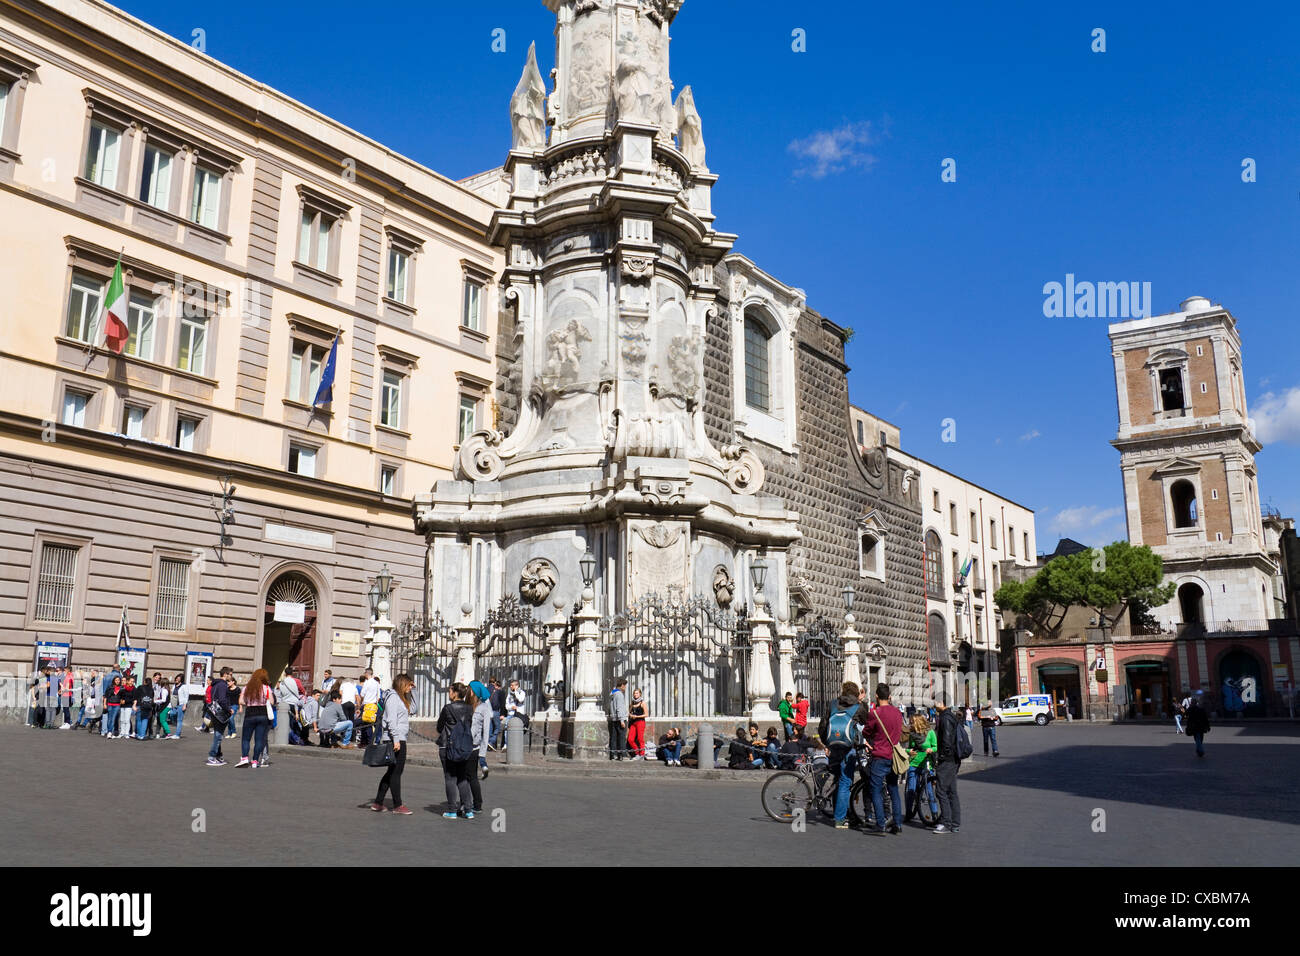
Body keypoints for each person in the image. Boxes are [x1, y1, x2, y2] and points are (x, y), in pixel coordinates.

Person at [857, 683, 905, 835]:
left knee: (875, 790)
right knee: (893, 789)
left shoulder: (875, 713)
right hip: (894, 756)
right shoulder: (898, 713)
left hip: (880, 756)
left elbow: (866, 732)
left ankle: (880, 824)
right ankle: (897, 824)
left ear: (877, 696)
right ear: (889, 696)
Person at [818, 682, 863, 828]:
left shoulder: (833, 704)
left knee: (838, 778)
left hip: (833, 746)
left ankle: (840, 811)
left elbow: (823, 726)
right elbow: (868, 724)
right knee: (845, 781)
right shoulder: (858, 706)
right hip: (848, 747)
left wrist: (827, 743)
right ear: (856, 693)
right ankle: (840, 818)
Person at [370, 673, 414, 815]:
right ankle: (397, 805)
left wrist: (415, 692)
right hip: (395, 738)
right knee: (396, 772)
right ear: (402, 684)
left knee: (391, 772)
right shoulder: (393, 698)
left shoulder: (400, 698)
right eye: (408, 685)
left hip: (399, 737)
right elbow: (390, 720)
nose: (410, 687)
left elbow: (414, 709)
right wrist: (396, 739)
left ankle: (378, 802)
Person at [437, 682, 475, 819]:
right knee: (462, 778)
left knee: (450, 778)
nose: (449, 693)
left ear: (454, 692)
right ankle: (468, 810)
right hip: (464, 746)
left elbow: (439, 727)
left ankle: (452, 810)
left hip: (448, 746)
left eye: (450, 691)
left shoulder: (447, 708)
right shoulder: (469, 708)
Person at [932, 698, 962, 834]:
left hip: (948, 759)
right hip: (953, 759)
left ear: (941, 703)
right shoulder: (950, 716)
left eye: (935, 702)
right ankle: (955, 823)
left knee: (941, 790)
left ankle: (946, 822)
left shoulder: (945, 718)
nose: (934, 705)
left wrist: (941, 758)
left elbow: (946, 741)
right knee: (951, 791)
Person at [235, 669, 274, 769]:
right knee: (259, 739)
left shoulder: (247, 688)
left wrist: (250, 703)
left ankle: (244, 758)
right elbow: (272, 702)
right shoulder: (266, 688)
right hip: (263, 714)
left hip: (250, 714)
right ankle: (255, 761)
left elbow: (241, 701)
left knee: (246, 738)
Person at [904, 714, 939, 825]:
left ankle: (934, 814)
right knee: (911, 790)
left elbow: (936, 747)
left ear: (918, 722)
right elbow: (909, 747)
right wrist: (908, 751)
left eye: (912, 722)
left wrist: (930, 749)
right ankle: (909, 813)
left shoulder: (930, 733)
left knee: (929, 791)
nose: (910, 724)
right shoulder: (912, 734)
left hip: (927, 764)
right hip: (913, 763)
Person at [468, 680, 492, 811]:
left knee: (471, 777)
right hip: (463, 746)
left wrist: (482, 754)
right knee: (462, 778)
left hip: (474, 747)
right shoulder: (466, 706)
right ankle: (464, 802)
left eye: (470, 689)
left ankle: (477, 804)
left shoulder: (484, 709)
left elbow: (486, 732)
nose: (468, 691)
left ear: (474, 692)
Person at [358, 668, 382, 745]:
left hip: (366, 705)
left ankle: (365, 742)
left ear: (366, 673)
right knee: (374, 724)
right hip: (374, 706)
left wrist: (361, 703)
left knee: (365, 725)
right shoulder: (377, 683)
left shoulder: (366, 683)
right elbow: (378, 696)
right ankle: (375, 741)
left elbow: (362, 694)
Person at [1184, 690, 1211, 758]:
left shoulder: (1190, 709)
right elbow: (1205, 719)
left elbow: (1185, 714)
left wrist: (1189, 707)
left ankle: (1200, 750)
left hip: (1194, 726)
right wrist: (1208, 726)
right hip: (1201, 726)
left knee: (1197, 739)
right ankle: (1199, 750)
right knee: (1200, 738)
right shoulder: (1201, 709)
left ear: (1192, 703)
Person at [609, 678, 628, 760]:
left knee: (614, 737)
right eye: (625, 686)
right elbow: (619, 708)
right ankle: (623, 755)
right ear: (622, 685)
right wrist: (622, 720)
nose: (625, 688)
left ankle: (614, 755)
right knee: (622, 737)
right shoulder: (619, 694)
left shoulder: (612, 694)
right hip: (620, 719)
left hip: (614, 719)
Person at [627, 687, 648, 759]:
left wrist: (637, 716)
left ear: (640, 694)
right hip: (633, 723)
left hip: (640, 722)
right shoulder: (632, 703)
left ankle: (642, 754)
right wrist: (631, 715)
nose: (635, 695)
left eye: (637, 693)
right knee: (630, 739)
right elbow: (629, 713)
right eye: (634, 693)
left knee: (640, 739)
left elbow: (646, 714)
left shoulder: (642, 703)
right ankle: (637, 753)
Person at [134, 676, 155, 741]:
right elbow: (152, 698)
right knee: (145, 720)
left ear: (145, 682)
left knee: (139, 720)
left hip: (140, 705)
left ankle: (139, 734)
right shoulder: (151, 689)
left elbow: (135, 696)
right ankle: (142, 735)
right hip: (148, 706)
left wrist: (134, 705)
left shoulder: (140, 687)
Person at [488, 678, 505, 750]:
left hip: (488, 711)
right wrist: (502, 714)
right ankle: (491, 742)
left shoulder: (486, 689)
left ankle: (488, 743)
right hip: (496, 711)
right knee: (497, 728)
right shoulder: (500, 691)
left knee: (490, 728)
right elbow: (502, 704)